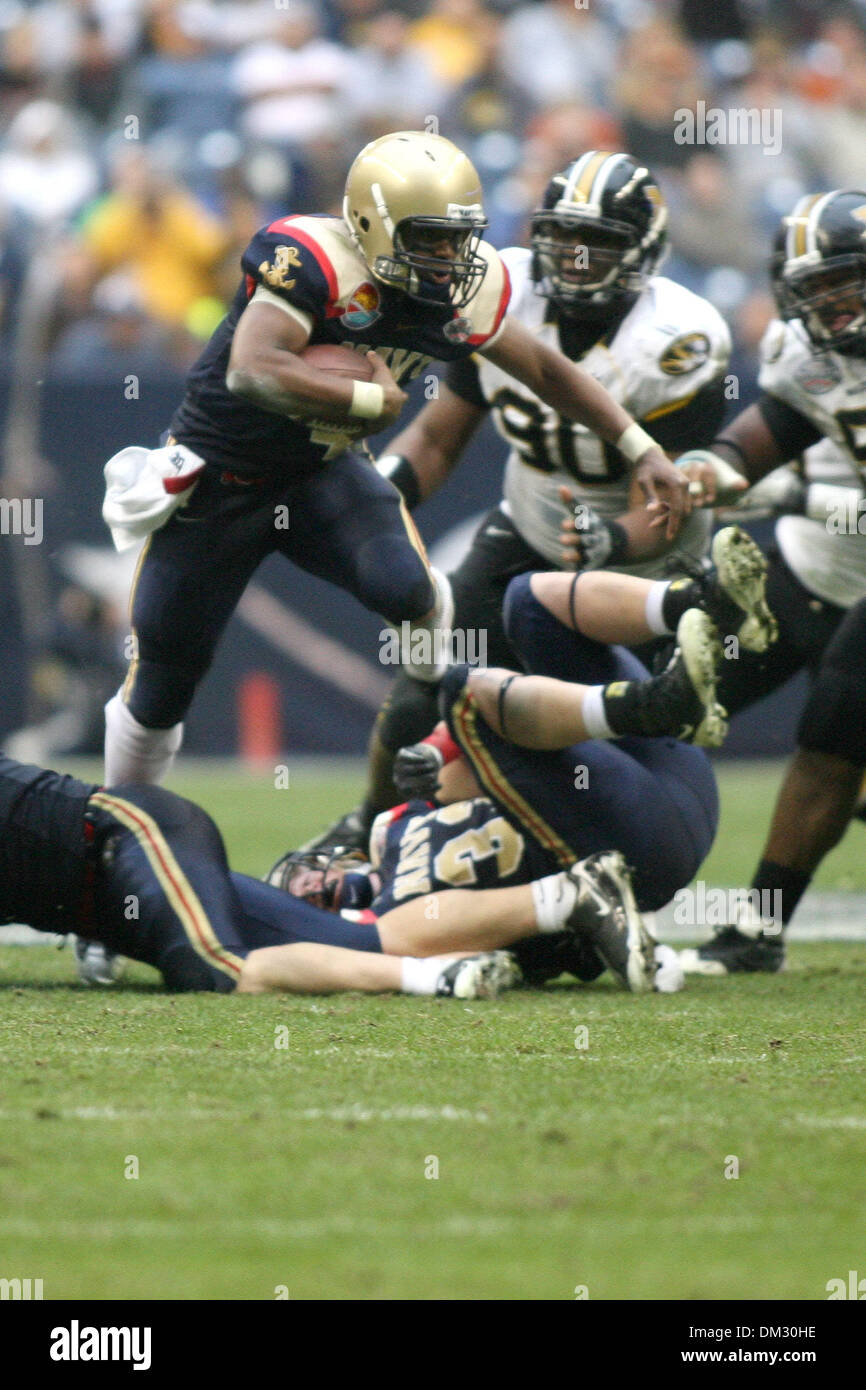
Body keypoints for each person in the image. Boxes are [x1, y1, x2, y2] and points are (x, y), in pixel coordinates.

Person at [103, 132, 692, 792]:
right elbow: (251, 368)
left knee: (407, 591)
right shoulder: (314, 258)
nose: (449, 258)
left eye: (458, 237)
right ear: (370, 226)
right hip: (219, 482)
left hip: (318, 474)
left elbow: (545, 371)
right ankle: (122, 816)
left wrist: (639, 446)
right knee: (162, 679)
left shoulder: (466, 287)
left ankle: (436, 721)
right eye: (430, 238)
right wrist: (367, 399)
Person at [303, 150, 735, 853]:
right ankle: (370, 832)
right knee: (430, 686)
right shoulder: (501, 290)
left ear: (644, 252)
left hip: (643, 564)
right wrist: (380, 495)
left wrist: (612, 543)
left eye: (599, 241)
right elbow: (440, 438)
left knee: (617, 748)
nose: (576, 257)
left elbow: (668, 499)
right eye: (564, 236)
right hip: (528, 528)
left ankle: (571, 874)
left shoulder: (677, 341)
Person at [269, 525, 775, 992]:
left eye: (300, 877)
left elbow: (484, 758)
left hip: (654, 774)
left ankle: (699, 603)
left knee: (526, 601)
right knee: (462, 694)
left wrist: (433, 751)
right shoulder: (387, 930)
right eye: (300, 897)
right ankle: (656, 706)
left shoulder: (394, 827)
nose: (311, 886)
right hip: (636, 849)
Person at [0, 751, 681, 1000]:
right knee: (361, 941)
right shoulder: (386, 839)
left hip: (126, 838)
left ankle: (439, 976)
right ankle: (552, 915)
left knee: (215, 969)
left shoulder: (387, 833)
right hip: (111, 891)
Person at [672, 190, 866, 973]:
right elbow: (768, 431)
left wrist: (785, 493)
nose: (837, 308)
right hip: (806, 569)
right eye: (818, 294)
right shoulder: (803, 353)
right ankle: (753, 931)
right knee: (681, 692)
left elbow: (782, 476)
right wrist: (711, 468)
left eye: (849, 284)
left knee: (837, 730)